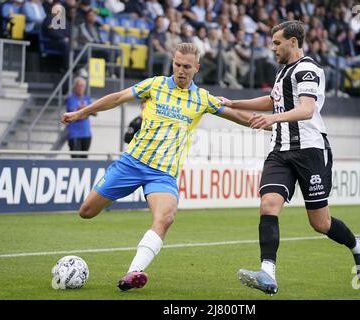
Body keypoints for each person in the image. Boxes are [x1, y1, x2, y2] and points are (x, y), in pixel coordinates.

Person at [60, 42, 258, 291]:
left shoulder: (202, 99)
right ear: (172, 63)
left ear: (196, 68)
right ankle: (132, 267)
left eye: (187, 66)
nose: (181, 70)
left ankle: (133, 273)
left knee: (165, 218)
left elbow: (240, 117)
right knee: (86, 211)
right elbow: (118, 97)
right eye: (177, 64)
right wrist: (81, 113)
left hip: (162, 174)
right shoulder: (155, 85)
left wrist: (280, 123)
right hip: (131, 163)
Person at [218, 21, 360, 295]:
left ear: (293, 42)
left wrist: (273, 118)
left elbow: (306, 109)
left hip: (310, 152)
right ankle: (268, 273)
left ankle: (358, 246)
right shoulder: (283, 73)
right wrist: (232, 102)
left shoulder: (308, 69)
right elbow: (272, 100)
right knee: (268, 204)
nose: (273, 47)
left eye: (277, 43)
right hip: (280, 151)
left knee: (320, 224)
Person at [65, 77, 96, 158]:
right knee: (75, 159)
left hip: (86, 133)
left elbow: (95, 112)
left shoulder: (87, 98)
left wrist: (82, 110)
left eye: (82, 86)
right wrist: (87, 111)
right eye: (79, 85)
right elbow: (74, 115)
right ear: (75, 86)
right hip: (74, 134)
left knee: (84, 159)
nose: (80, 88)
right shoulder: (71, 99)